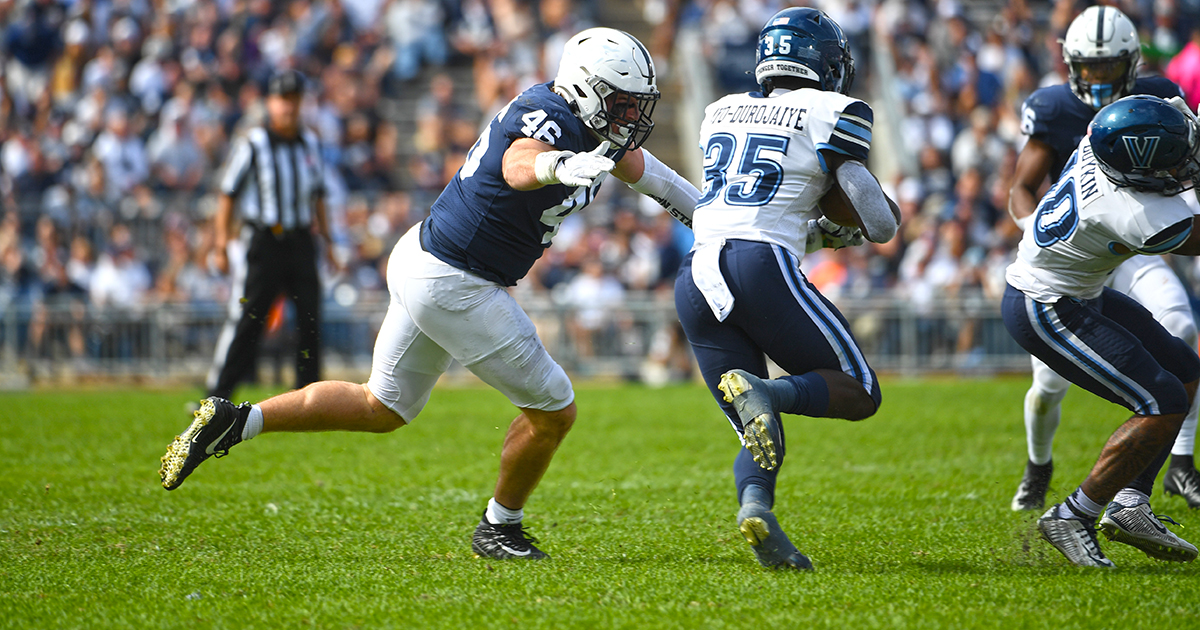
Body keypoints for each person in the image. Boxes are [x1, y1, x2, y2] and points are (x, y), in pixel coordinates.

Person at [160, 28, 701, 560]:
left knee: (382, 406)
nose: (632, 116)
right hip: (456, 281)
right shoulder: (551, 118)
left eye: (637, 104)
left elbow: (651, 175)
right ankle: (499, 527)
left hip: (427, 260)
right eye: (623, 102)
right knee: (554, 411)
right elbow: (518, 165)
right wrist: (557, 165)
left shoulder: (589, 128)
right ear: (587, 88)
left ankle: (237, 420)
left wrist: (716, 222)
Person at [674, 8, 899, 570]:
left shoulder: (720, 109)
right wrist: (872, 218)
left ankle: (759, 511)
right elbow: (874, 216)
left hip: (696, 271)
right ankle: (767, 391)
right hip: (758, 264)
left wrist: (820, 232)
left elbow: (763, 198)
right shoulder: (835, 109)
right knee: (860, 390)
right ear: (824, 62)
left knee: (756, 430)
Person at [1008, 5, 1200, 512]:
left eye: (1108, 65)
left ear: (1131, 62)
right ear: (1071, 64)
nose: (1097, 76)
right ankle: (1039, 464)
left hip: (1131, 246)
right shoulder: (1052, 107)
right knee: (1048, 385)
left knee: (1179, 324)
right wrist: (1040, 231)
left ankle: (1178, 464)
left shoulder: (1159, 95)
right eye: (1088, 66)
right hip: (1079, 251)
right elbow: (1022, 188)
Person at [205, 69, 336, 401]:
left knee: (309, 318)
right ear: (269, 103)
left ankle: (309, 396)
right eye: (282, 99)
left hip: (301, 240)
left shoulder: (310, 143)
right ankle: (218, 395)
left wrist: (329, 243)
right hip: (263, 242)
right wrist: (221, 243)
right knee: (248, 318)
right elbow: (227, 193)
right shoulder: (254, 143)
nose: (288, 107)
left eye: (294, 99)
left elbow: (319, 195)